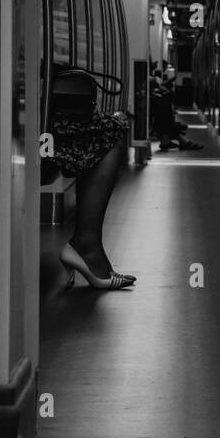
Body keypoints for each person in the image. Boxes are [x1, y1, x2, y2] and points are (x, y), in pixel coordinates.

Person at [50, 76, 137, 290]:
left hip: (42, 130)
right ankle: (86, 244)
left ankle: (87, 244)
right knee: (110, 134)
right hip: (43, 135)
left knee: (103, 133)